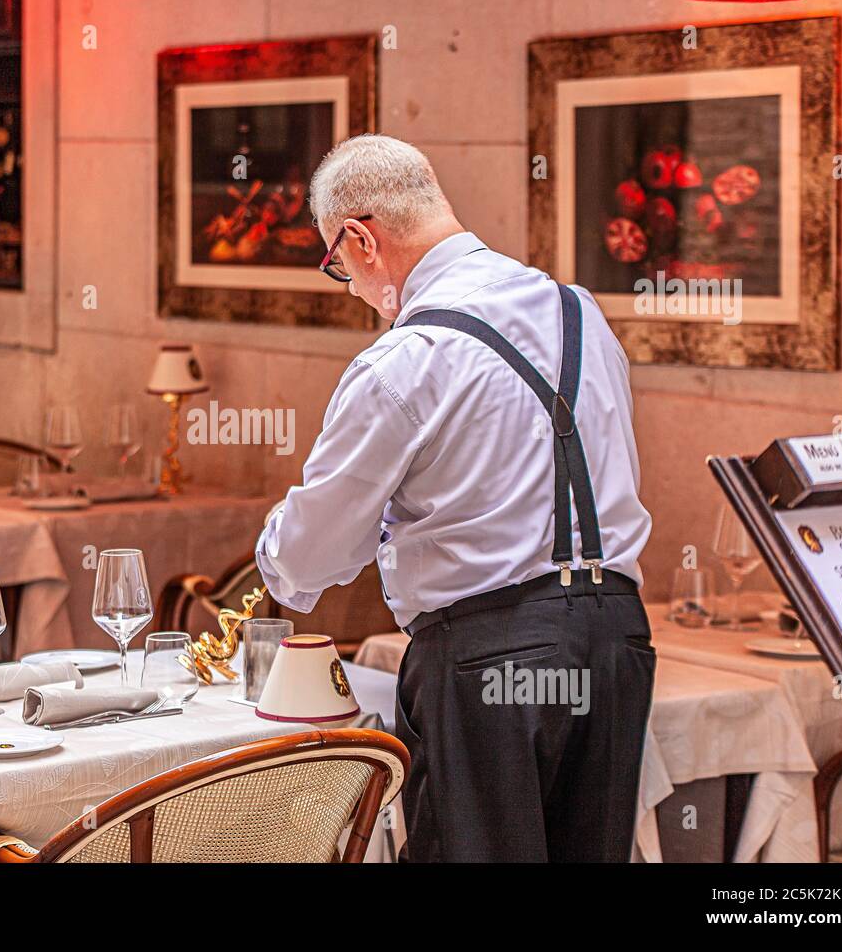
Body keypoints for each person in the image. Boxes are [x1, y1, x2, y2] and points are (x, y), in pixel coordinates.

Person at [254, 134, 654, 862]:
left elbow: (313, 558)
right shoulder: (580, 314)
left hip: (487, 654)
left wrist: (273, 547)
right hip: (617, 641)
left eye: (338, 266)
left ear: (360, 239)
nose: (351, 285)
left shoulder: (406, 360)